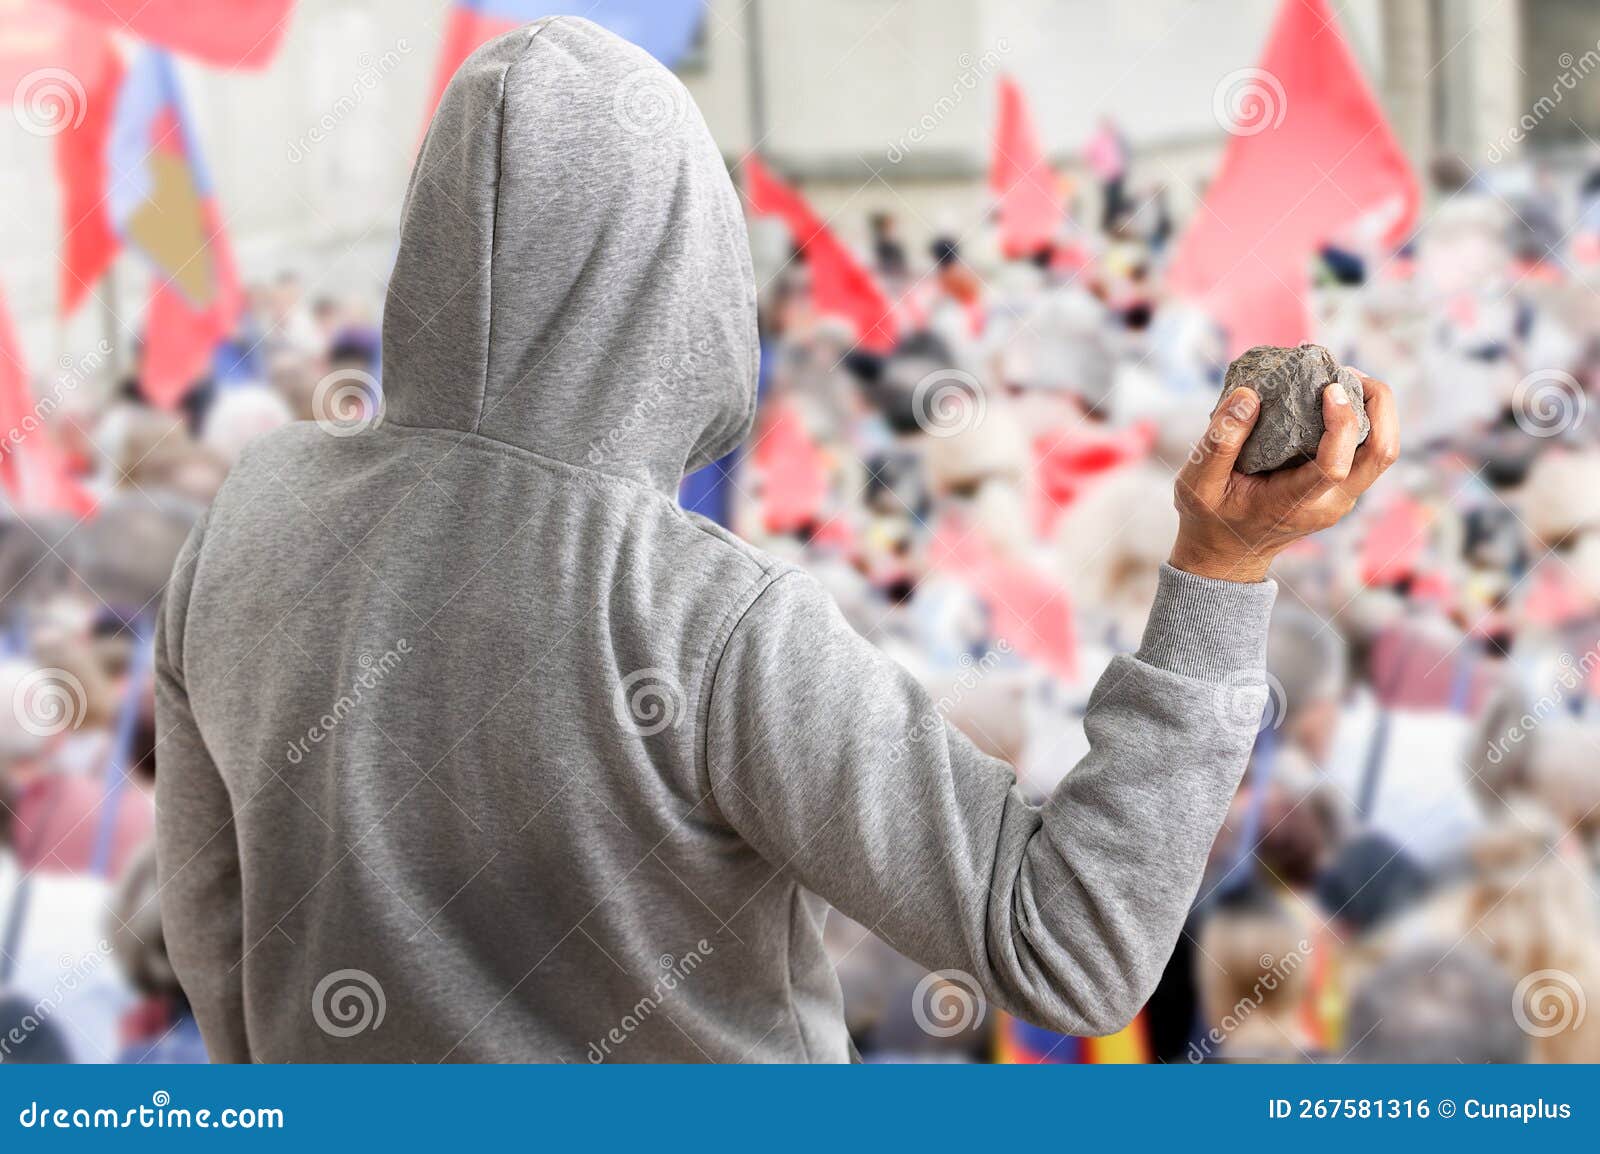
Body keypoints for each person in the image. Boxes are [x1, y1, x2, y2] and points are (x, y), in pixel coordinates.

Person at [154, 17, 1398, 1063]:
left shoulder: (247, 523)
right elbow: (1070, 945)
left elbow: (219, 945)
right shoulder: (700, 617)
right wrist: (1224, 572)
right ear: (691, 269)